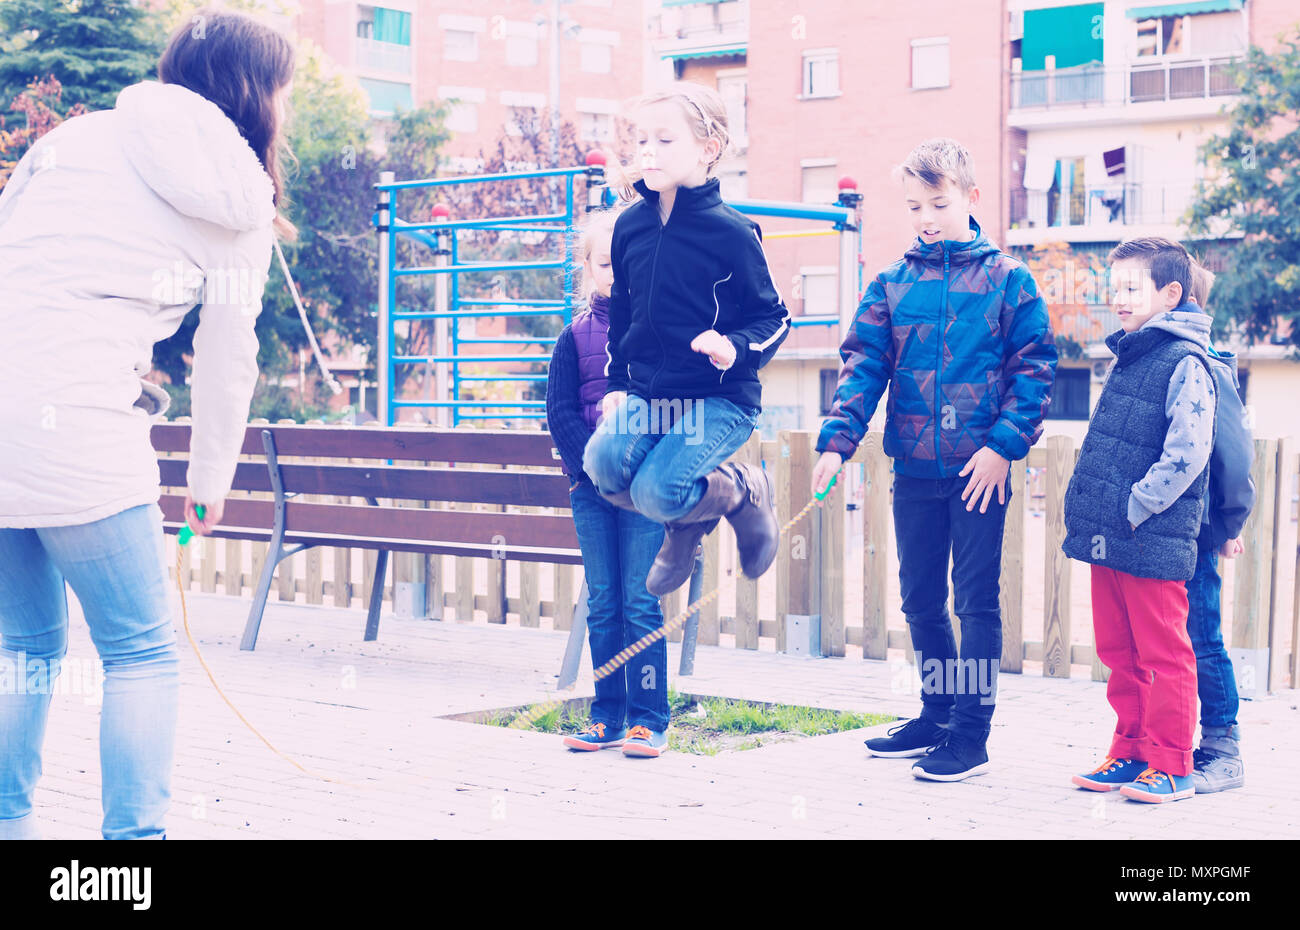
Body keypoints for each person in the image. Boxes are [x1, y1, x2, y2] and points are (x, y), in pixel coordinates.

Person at [0, 9, 294, 839]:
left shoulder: (76, 138)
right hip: (81, 432)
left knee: (21, 650)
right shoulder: (239, 201)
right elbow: (229, 362)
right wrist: (207, 489)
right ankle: (133, 854)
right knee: (139, 651)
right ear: (259, 93)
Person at [811, 138, 1057, 782]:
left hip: (981, 472)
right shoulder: (891, 284)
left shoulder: (1011, 280)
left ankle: (970, 737)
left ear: (971, 199)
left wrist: (1003, 448)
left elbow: (1032, 369)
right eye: (915, 205)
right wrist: (838, 443)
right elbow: (863, 367)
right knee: (920, 600)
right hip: (915, 467)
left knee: (974, 602)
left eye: (938, 203)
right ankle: (937, 711)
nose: (925, 216)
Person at [582, 82, 792, 753]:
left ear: (709, 149)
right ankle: (706, 507)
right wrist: (617, 386)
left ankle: (735, 491)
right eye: (640, 140)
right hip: (647, 393)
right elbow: (625, 320)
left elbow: (773, 316)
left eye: (664, 139)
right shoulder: (629, 226)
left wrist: (736, 347)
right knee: (603, 462)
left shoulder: (731, 232)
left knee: (653, 491)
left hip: (720, 397)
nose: (648, 151)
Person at [1064, 237, 1216, 804]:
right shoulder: (1129, 355)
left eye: (1132, 288)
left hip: (1149, 533)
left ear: (1170, 293)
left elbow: (1187, 452)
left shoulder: (1185, 362)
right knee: (1119, 651)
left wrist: (1134, 505)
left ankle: (1172, 762)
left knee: (1163, 653)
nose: (1119, 299)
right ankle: (1129, 750)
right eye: (1115, 289)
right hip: (1113, 537)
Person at [546, 208, 671, 758]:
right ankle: (606, 717)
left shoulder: (664, 335)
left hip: (641, 489)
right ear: (588, 269)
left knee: (640, 602)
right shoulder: (574, 337)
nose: (616, 273)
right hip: (590, 491)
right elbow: (561, 412)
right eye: (605, 263)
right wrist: (593, 470)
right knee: (603, 603)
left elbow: (671, 410)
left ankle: (649, 719)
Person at [1182, 260, 1254, 792]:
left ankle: (1222, 746)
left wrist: (1230, 522)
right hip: (1162, 531)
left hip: (1199, 526)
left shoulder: (1209, 365)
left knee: (1202, 635)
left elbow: (1232, 450)